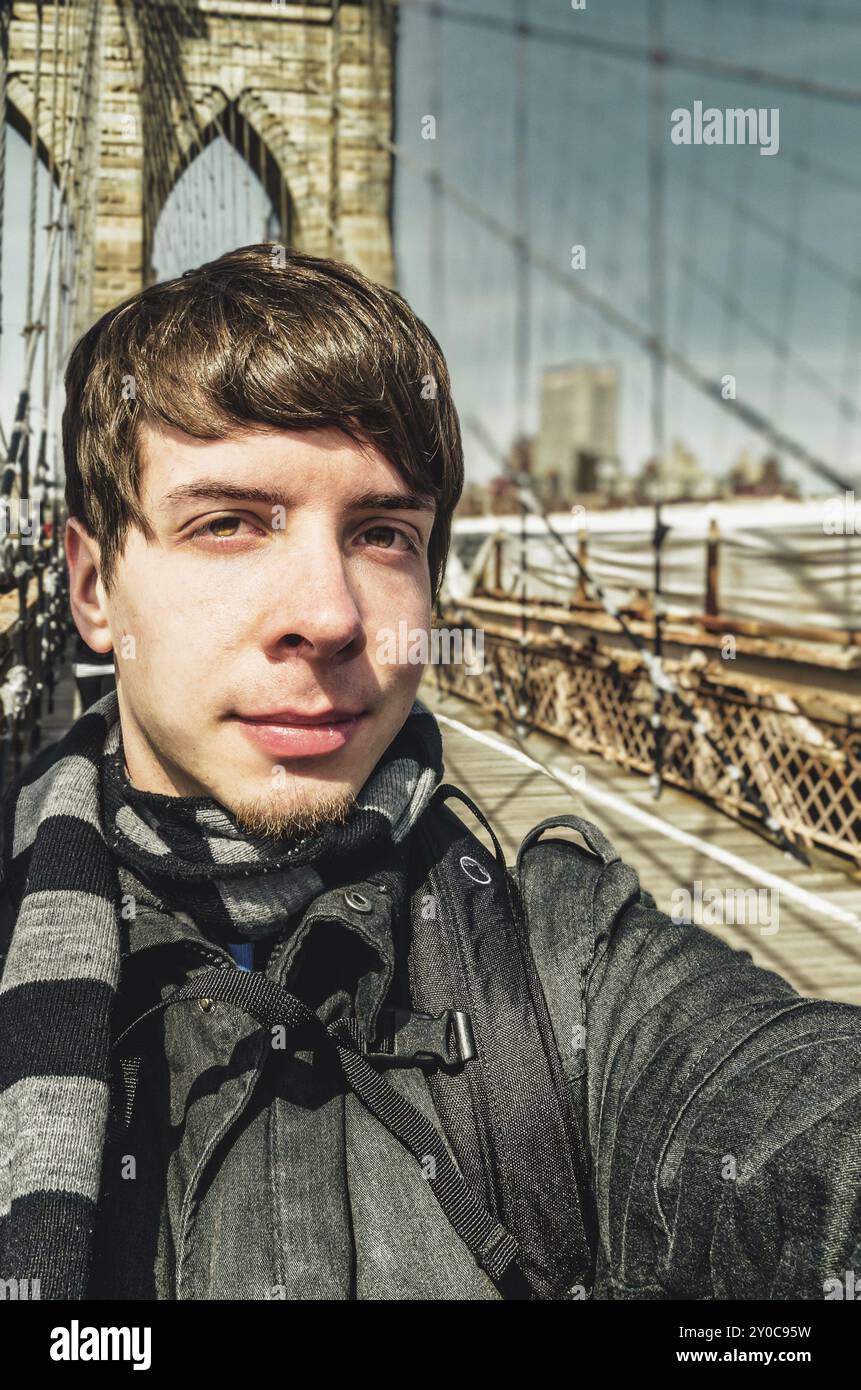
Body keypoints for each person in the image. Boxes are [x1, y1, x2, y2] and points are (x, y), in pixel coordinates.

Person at [0, 245, 858, 1302]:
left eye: (383, 533)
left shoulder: (560, 964)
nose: (328, 613)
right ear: (92, 588)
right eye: (227, 523)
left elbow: (797, 1121)